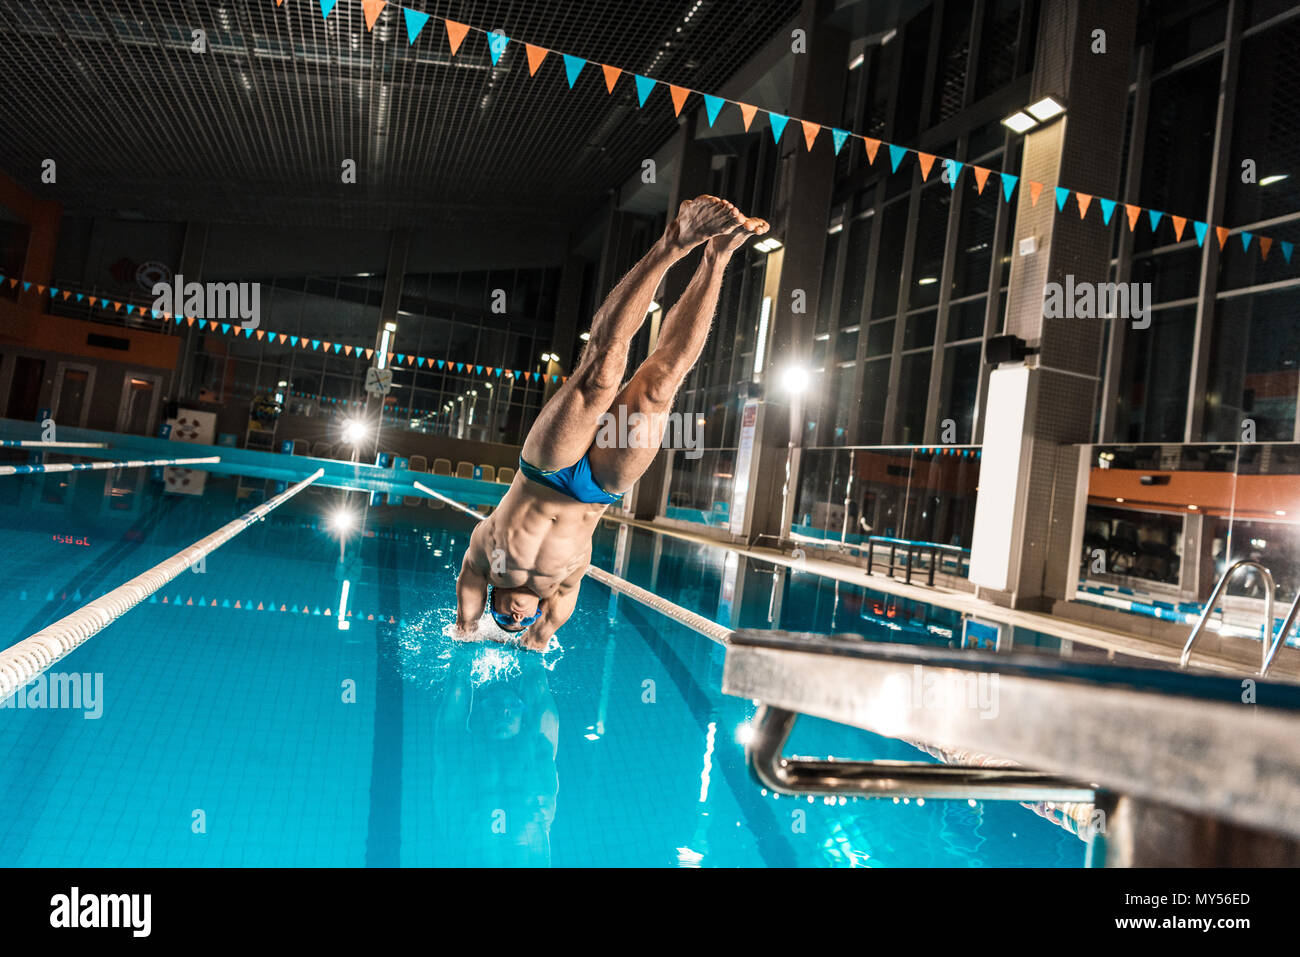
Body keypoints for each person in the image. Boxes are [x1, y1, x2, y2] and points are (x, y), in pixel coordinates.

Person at [454, 195, 769, 649]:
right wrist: (534, 640)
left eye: (505, 618)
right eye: (520, 623)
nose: (516, 618)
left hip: (544, 471)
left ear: (494, 601)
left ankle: (673, 242)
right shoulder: (559, 597)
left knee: (599, 374)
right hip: (598, 490)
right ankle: (717, 257)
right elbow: (541, 648)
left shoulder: (482, 560)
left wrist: (469, 630)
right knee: (660, 386)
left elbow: (465, 623)